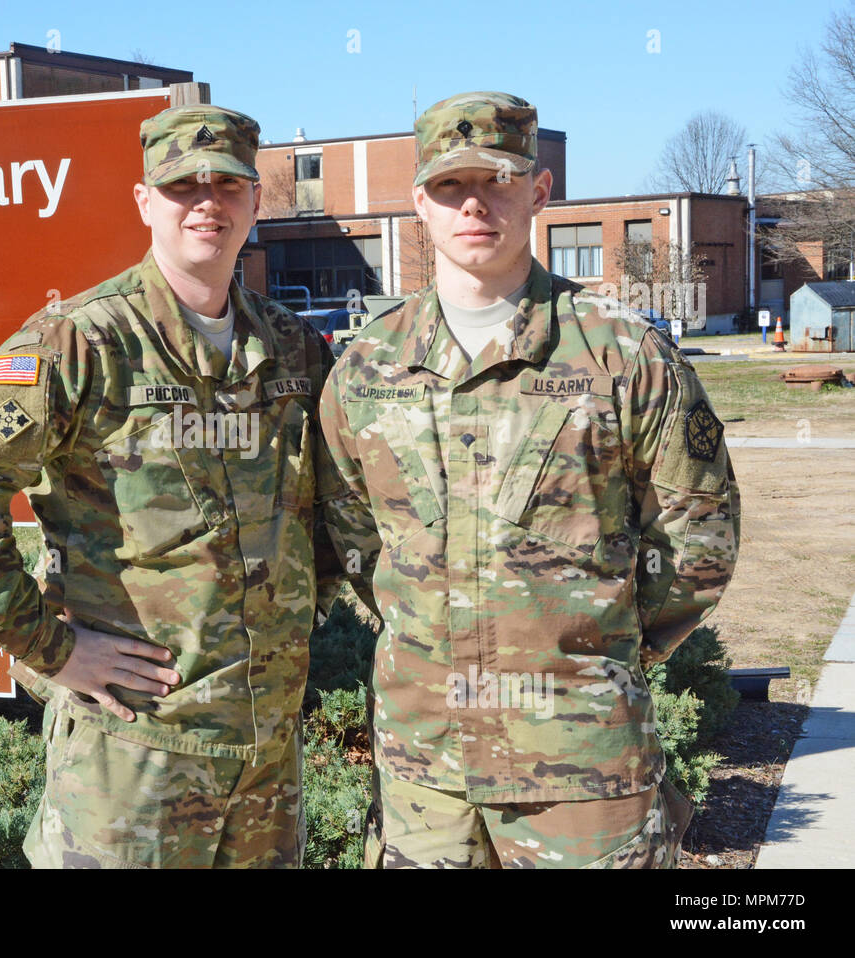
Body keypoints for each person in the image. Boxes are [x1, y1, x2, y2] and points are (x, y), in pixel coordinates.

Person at [0, 104, 346, 868]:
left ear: (255, 202)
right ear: (146, 203)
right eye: (182, 186)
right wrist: (48, 645)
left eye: (228, 185)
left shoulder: (293, 347)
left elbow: (339, 503)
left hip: (265, 752)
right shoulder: (81, 341)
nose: (207, 202)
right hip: (133, 751)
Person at [318, 91, 741, 868]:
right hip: (425, 768)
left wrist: (598, 651)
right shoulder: (367, 367)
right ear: (420, 203)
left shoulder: (622, 354)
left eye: (498, 181)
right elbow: (353, 531)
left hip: (581, 765)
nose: (473, 204)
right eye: (449, 186)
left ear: (539, 191)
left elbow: (698, 534)